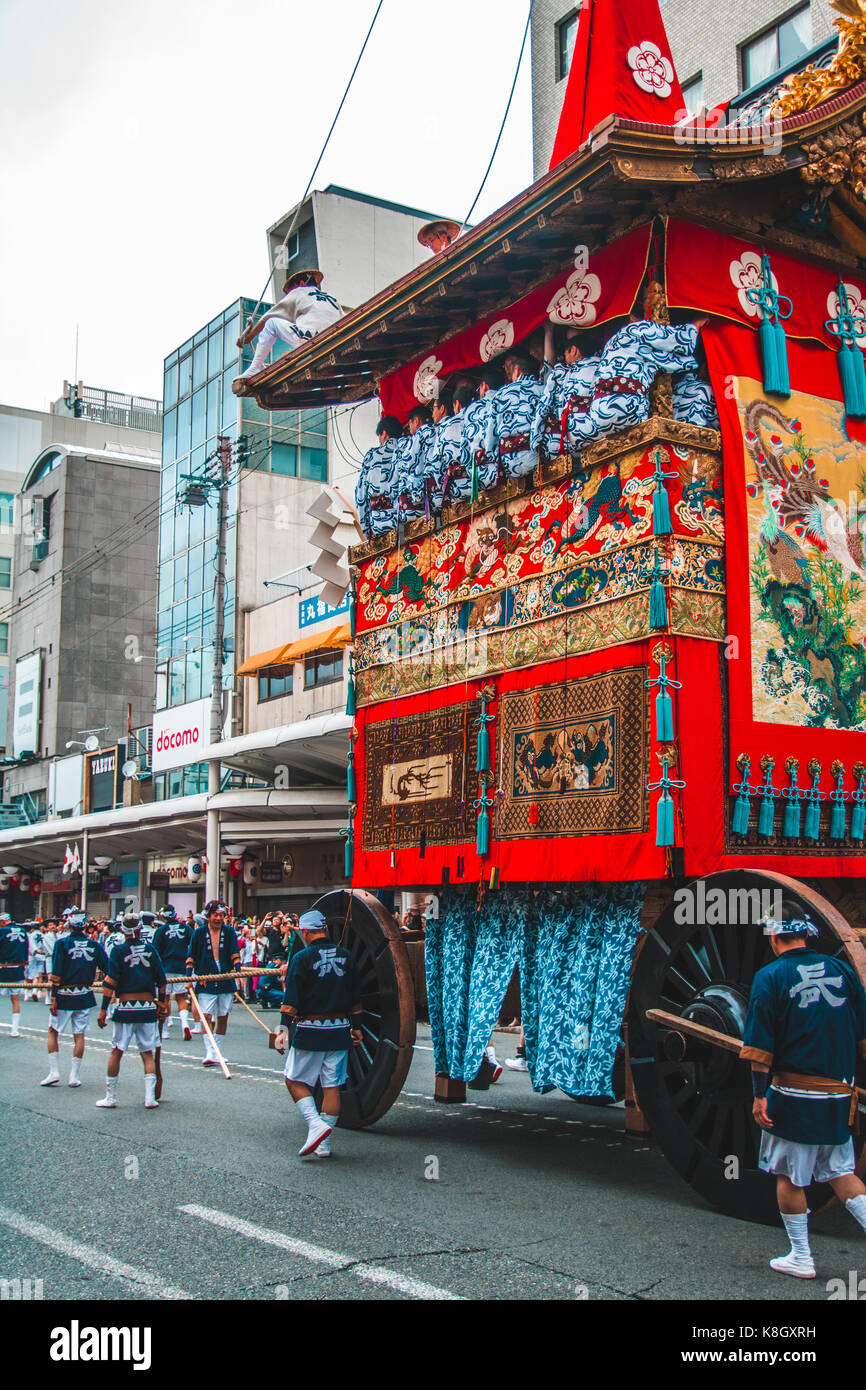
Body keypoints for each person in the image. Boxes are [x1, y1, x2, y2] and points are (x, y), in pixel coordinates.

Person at [742, 908, 866, 1279]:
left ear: (774, 939)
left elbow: (760, 1046)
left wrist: (759, 1094)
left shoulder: (770, 976)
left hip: (794, 1095)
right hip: (837, 1094)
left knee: (788, 1176)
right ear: (806, 937)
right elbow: (862, 1029)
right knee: (841, 1173)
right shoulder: (841, 971)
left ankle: (801, 1257)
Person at [275, 909, 363, 1158]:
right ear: (324, 929)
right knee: (332, 1087)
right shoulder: (346, 956)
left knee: (293, 1080)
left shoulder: (302, 959)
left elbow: (291, 1001)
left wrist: (282, 1029)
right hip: (339, 1030)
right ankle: (324, 1144)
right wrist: (356, 1026)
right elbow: (356, 998)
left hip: (310, 1031)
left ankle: (315, 1124)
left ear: (304, 931)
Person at [569, 313, 706, 449]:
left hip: (598, 414)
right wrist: (695, 325)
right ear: (632, 318)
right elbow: (678, 340)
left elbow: (664, 361)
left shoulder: (611, 343)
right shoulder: (636, 328)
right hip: (627, 407)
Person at [96, 914, 167, 1109]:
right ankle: (149, 1098)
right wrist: (161, 1004)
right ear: (139, 930)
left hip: (126, 1007)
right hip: (147, 1007)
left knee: (117, 1051)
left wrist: (103, 1010)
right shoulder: (150, 949)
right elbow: (162, 981)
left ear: (123, 931)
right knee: (147, 1053)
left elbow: (110, 983)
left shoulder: (118, 951)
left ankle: (110, 1097)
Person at [41, 909, 110, 1087]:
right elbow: (108, 967)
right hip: (84, 994)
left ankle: (54, 1071)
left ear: (69, 925)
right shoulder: (93, 945)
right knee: (79, 1035)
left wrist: (53, 996)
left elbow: (56, 972)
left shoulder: (62, 944)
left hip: (64, 994)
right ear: (86, 926)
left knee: (53, 1031)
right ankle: (74, 1076)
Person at [236, 269, 342, 380]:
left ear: (301, 283)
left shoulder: (299, 291)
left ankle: (254, 368)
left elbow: (268, 316)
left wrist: (249, 337)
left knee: (271, 323)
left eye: (292, 288)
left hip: (311, 338)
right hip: (334, 339)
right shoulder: (332, 298)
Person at [531, 327, 601, 459]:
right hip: (602, 429)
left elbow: (544, 407)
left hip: (574, 437)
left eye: (565, 354)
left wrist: (535, 439)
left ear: (573, 350)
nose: (565, 359)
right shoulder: (603, 365)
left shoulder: (561, 373)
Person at [186, 901, 241, 1067]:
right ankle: (210, 1051)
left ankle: (217, 1049)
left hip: (225, 978)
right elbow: (191, 956)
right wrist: (189, 979)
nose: (218, 918)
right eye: (215, 915)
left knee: (223, 1016)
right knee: (207, 1016)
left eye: (221, 915)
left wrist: (238, 972)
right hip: (205, 979)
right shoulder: (199, 933)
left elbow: (234, 952)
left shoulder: (229, 931)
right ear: (208, 916)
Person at [484, 353, 542, 482]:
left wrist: (493, 460)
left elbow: (490, 434)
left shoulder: (500, 394)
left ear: (516, 370)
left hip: (508, 463)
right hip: (537, 457)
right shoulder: (541, 388)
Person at [355, 415, 404, 538]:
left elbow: (361, 495)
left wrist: (366, 529)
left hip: (378, 524)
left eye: (379, 436)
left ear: (384, 433)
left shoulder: (372, 456)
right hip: (406, 521)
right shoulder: (406, 450)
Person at [152, 904, 195, 1039]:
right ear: (176, 915)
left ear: (164, 917)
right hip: (182, 967)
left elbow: (155, 951)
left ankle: (164, 1030)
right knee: (181, 997)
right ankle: (184, 1024)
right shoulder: (186, 928)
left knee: (164, 997)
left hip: (165, 968)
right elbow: (194, 944)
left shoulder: (161, 930)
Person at [394, 404, 434, 522]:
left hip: (415, 506)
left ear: (416, 421)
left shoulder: (413, 441)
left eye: (410, 424)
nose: (409, 428)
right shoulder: (439, 430)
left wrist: (417, 498)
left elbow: (413, 470)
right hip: (441, 498)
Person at [0, 913, 29, 1037]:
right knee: (15, 999)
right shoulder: (22, 931)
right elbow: (27, 947)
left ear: (2, 921)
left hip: (3, 969)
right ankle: (14, 1030)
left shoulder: (2, 931)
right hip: (18, 969)